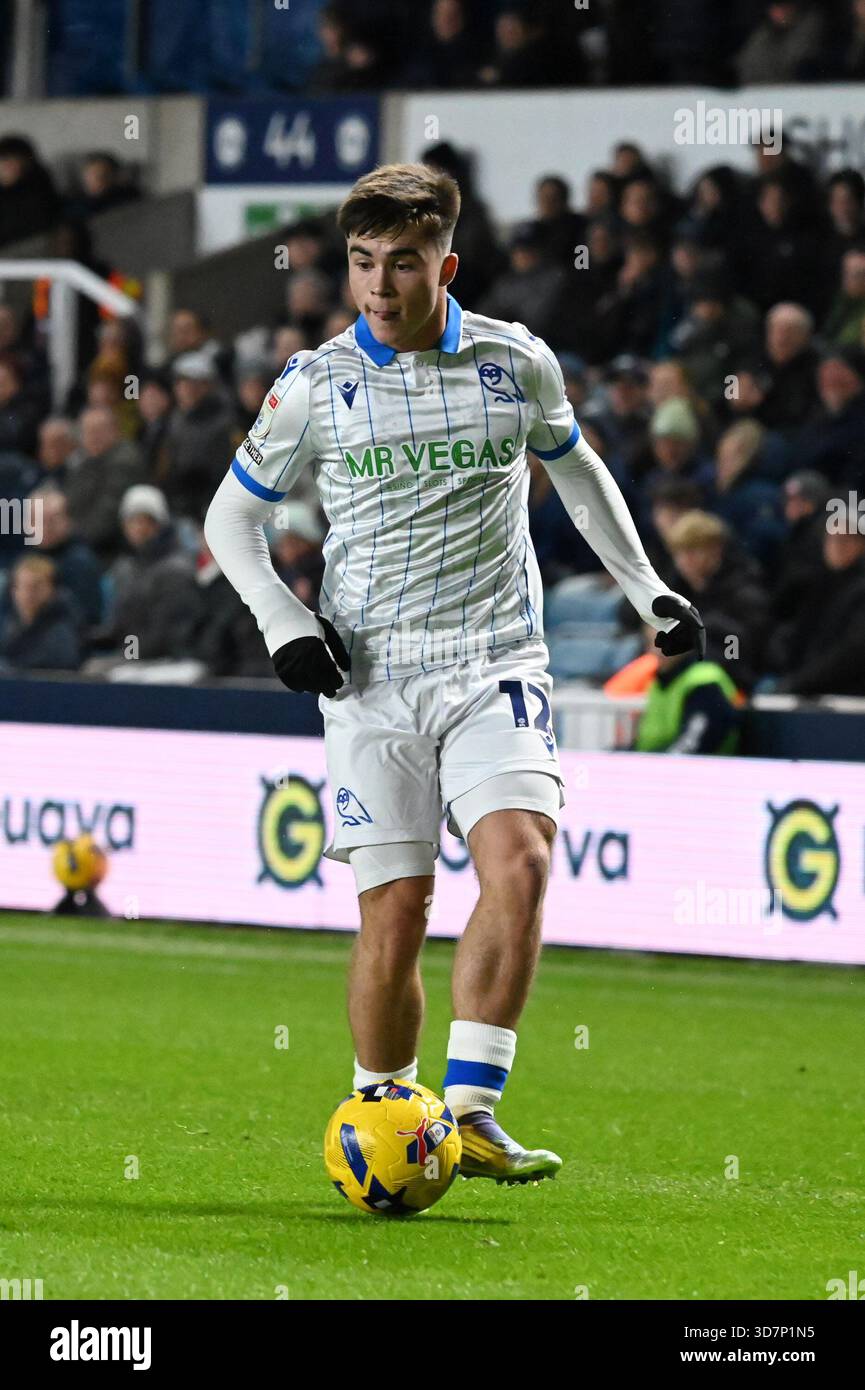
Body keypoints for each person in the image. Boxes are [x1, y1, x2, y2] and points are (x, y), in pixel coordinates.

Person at [204, 162, 703, 1187]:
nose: (377, 288)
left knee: (519, 859)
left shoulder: (513, 364)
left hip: (492, 660)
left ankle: (470, 1112)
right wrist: (283, 622)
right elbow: (232, 517)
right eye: (359, 264)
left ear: (447, 264)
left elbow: (575, 468)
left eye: (400, 264)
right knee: (397, 907)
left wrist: (648, 587)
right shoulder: (314, 384)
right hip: (369, 675)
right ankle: (384, 1111)